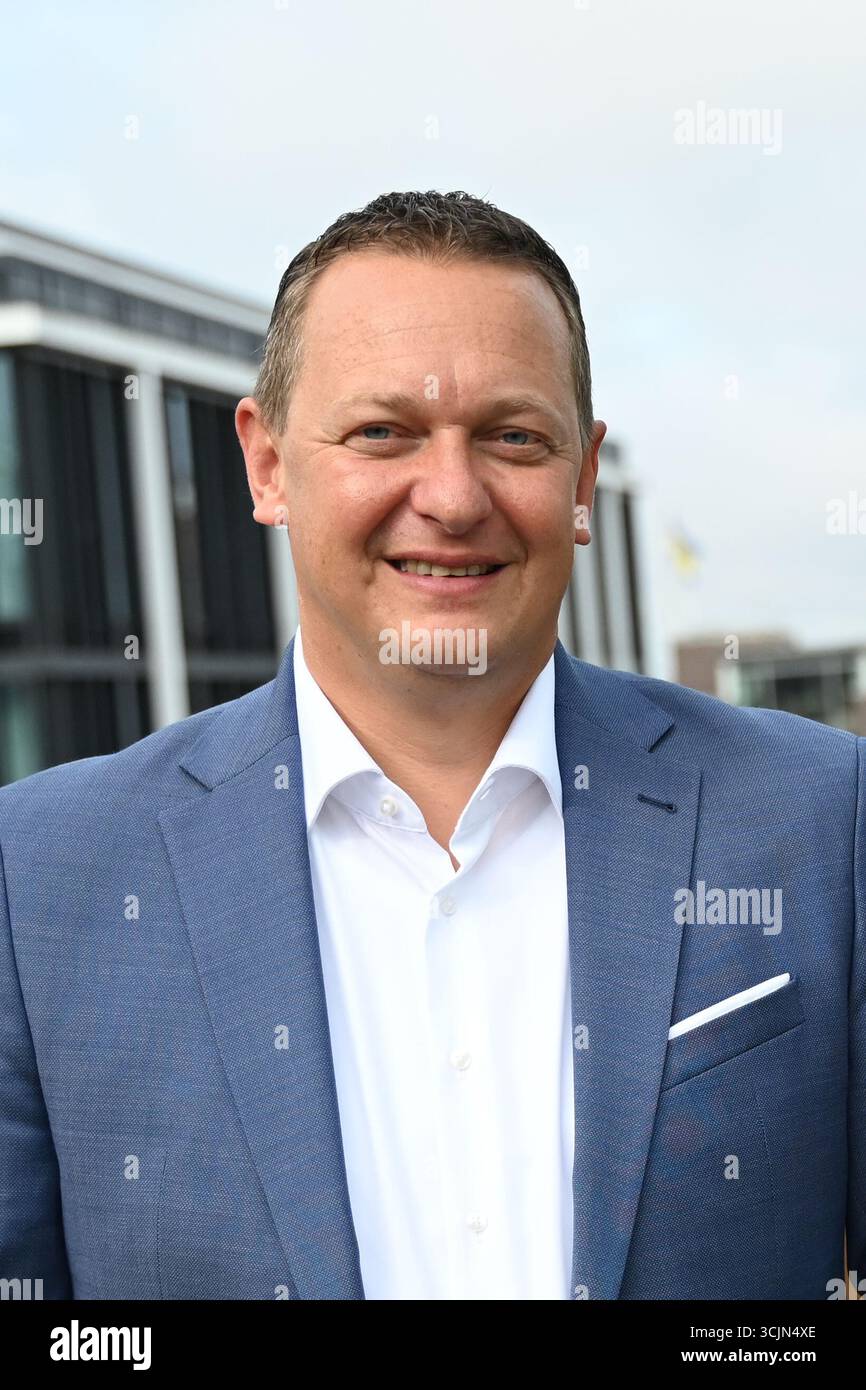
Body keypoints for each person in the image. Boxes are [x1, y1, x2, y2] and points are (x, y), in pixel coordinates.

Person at [0, 190, 862, 1300]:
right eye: (381, 433)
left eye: (512, 436)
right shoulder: (40, 878)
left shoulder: (819, 821)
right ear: (266, 465)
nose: (452, 498)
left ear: (582, 476)